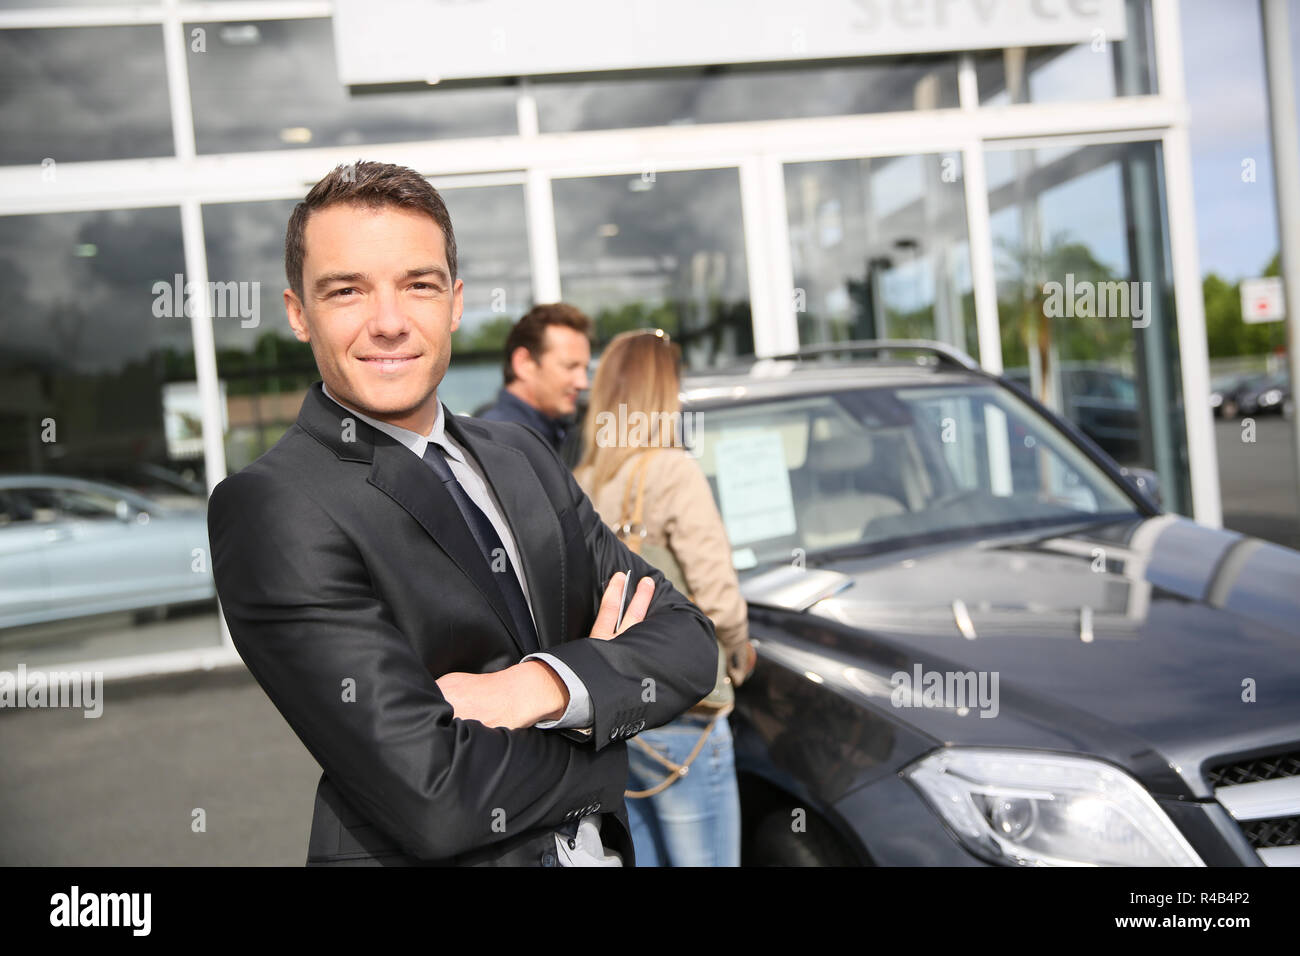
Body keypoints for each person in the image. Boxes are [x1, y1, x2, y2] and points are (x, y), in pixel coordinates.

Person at [206, 161, 717, 867]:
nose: (388, 323)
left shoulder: (520, 453)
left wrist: (530, 689)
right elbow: (437, 798)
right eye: (347, 291)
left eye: (418, 285)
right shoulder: (275, 507)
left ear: (455, 302)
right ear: (299, 314)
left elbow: (688, 642)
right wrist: (602, 739)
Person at [574, 328, 757, 867]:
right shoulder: (672, 470)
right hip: (687, 715)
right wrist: (741, 649)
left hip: (622, 714)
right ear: (663, 393)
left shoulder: (581, 480)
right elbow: (718, 602)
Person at [477, 303, 592, 454]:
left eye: (585, 369)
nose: (583, 383)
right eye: (570, 367)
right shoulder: (498, 444)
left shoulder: (556, 432)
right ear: (524, 363)